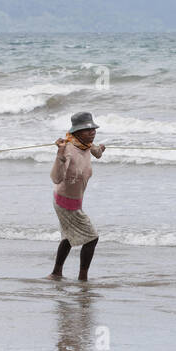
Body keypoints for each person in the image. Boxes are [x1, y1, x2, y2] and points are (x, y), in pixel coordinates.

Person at [49, 111, 105, 281]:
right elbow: (56, 178)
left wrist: (100, 149)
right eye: (87, 130)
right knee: (92, 238)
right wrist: (59, 154)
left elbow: (95, 152)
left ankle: (56, 273)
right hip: (65, 202)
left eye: (93, 129)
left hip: (73, 200)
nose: (92, 132)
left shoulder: (85, 145)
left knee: (68, 236)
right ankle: (83, 278)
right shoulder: (67, 150)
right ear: (76, 132)